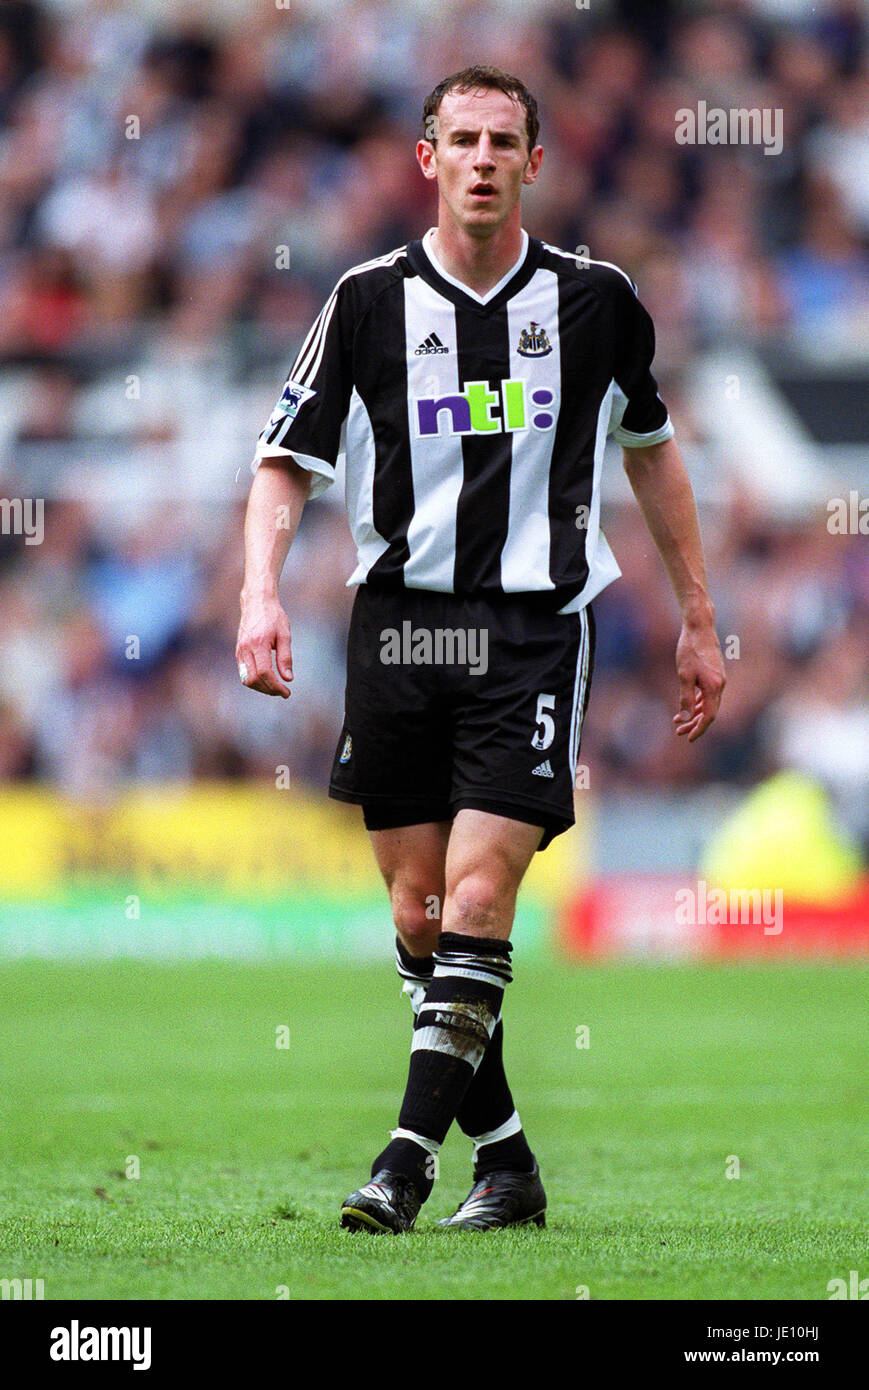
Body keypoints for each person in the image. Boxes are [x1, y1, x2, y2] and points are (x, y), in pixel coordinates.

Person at [236, 66, 725, 1234]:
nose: (483, 158)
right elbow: (281, 462)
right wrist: (258, 594)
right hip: (399, 625)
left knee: (476, 890)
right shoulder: (362, 302)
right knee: (417, 915)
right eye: (461, 138)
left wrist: (699, 616)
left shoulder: (597, 302)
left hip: (530, 631)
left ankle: (401, 1162)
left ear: (534, 163)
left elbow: (652, 449)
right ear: (426, 158)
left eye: (504, 139)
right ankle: (504, 1162)